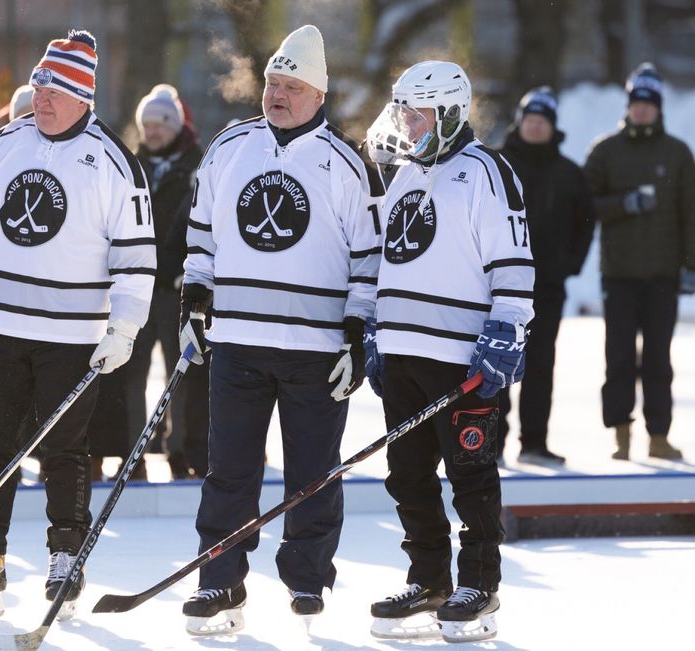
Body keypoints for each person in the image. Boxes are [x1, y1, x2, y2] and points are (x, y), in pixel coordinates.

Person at [0, 30, 154, 619]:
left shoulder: (115, 162)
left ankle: (65, 557)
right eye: (40, 86)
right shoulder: (7, 142)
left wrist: (124, 326)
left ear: (83, 95)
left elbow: (136, 257)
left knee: (64, 449)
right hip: (0, 326)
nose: (42, 97)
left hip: (72, 333)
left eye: (54, 89)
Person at [179, 25, 382, 634]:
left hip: (315, 350)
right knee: (230, 469)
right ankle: (219, 579)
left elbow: (369, 261)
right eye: (271, 83)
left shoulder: (346, 163)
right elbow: (201, 236)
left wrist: (356, 332)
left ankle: (307, 577)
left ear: (317, 95)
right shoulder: (230, 147)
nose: (277, 94)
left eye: (291, 86)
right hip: (237, 342)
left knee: (313, 472)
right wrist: (193, 298)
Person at [363, 60, 533, 643]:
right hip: (404, 355)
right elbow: (392, 260)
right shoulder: (406, 174)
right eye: (402, 112)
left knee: (471, 477)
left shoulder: (487, 172)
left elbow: (513, 263)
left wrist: (506, 330)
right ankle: (429, 579)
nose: (406, 124)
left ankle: (479, 585)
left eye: (417, 113)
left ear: (451, 112)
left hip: (461, 361)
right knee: (408, 477)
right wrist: (377, 333)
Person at [584, 62, 695, 461]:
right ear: (629, 105)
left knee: (658, 360)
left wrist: (690, 266)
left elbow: (691, 213)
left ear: (659, 106)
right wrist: (624, 204)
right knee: (618, 358)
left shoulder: (678, 153)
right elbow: (585, 206)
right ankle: (621, 432)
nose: (643, 109)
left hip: (663, 276)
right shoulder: (606, 150)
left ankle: (659, 435)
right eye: (637, 102)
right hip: (619, 275)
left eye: (650, 103)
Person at [496, 87, 596, 466]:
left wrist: (568, 264)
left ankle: (534, 443)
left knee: (540, 364)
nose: (535, 127)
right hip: (500, 287)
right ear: (520, 122)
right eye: (529, 120)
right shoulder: (497, 164)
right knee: (497, 362)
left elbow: (586, 223)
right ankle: (494, 442)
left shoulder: (569, 172)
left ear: (551, 126)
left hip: (547, 286)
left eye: (542, 122)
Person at [126, 83, 203, 479]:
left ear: (175, 125)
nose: (152, 131)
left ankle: (179, 449)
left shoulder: (198, 166)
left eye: (160, 124)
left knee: (182, 372)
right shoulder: (130, 165)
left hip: (178, 288)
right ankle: (132, 452)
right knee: (130, 373)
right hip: (136, 288)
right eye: (147, 124)